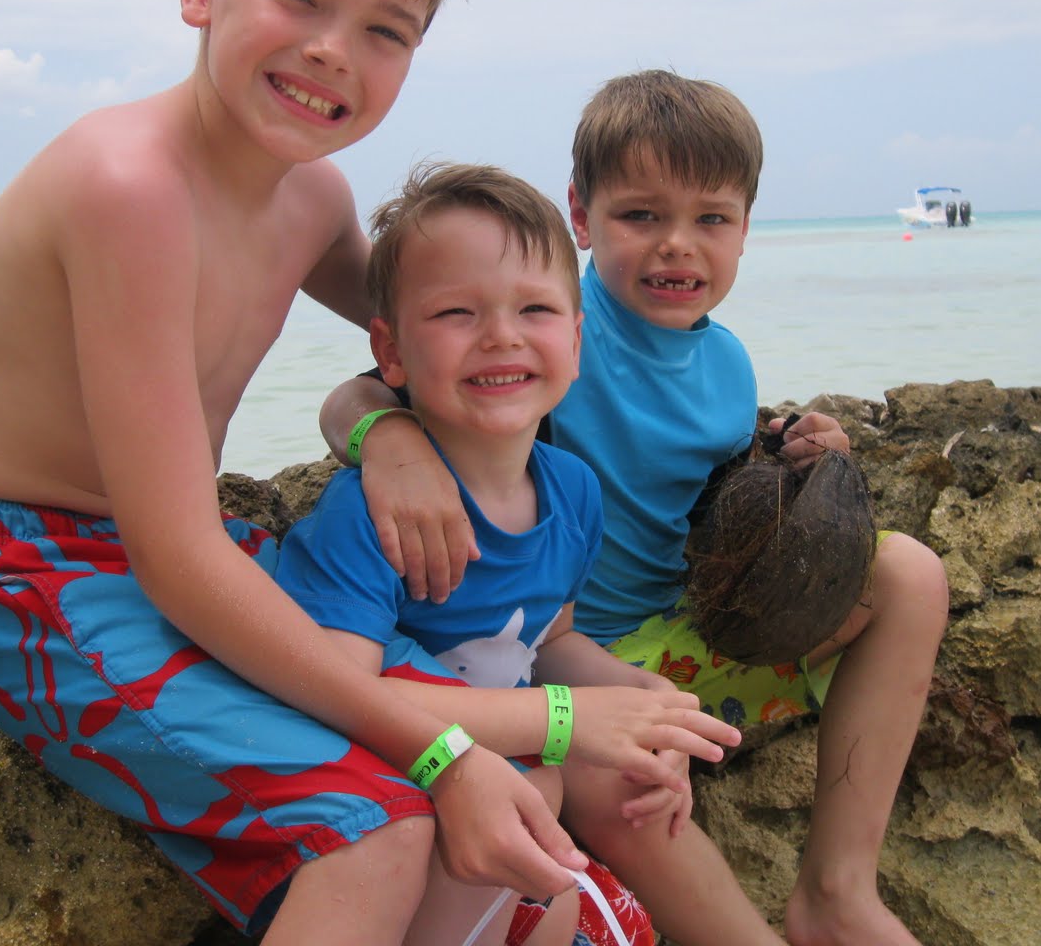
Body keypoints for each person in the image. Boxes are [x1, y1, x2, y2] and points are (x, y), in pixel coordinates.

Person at [0, 0, 721, 946]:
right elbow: (177, 556)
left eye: (387, 30)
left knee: (509, 781)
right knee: (377, 826)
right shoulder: (129, 189)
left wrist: (383, 428)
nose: (333, 48)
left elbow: (449, 341)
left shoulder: (314, 199)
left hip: (170, 555)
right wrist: (445, 751)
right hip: (21, 565)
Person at [324, 71, 950, 946]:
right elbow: (358, 394)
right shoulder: (550, 325)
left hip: (685, 644)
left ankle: (839, 891)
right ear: (582, 217)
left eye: (711, 219)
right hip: (563, 661)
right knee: (612, 784)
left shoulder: (728, 363)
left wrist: (798, 465)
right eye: (642, 216)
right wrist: (387, 439)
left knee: (909, 572)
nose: (676, 247)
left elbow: (711, 510)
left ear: (745, 229)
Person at [273, 163, 739, 945]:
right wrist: (563, 719)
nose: (501, 335)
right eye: (457, 311)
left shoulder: (573, 491)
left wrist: (645, 702)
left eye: (536, 308)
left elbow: (547, 640)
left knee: (566, 899)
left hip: (510, 810)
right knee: (548, 811)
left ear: (576, 340)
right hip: (399, 814)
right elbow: (337, 696)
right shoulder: (369, 513)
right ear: (389, 350)